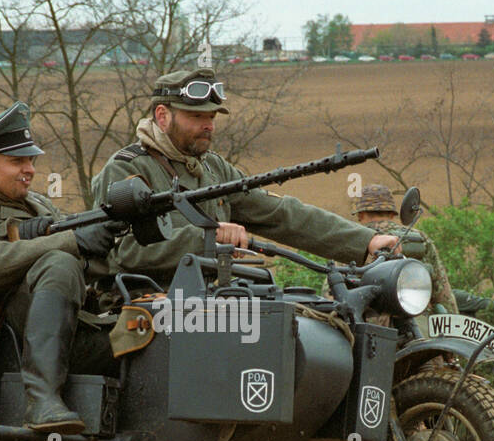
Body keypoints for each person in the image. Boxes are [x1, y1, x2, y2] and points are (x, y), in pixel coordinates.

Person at [90, 67, 399, 283]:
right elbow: (123, 251)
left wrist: (366, 241)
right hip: (141, 307)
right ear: (162, 116)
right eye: (196, 116)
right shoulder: (127, 169)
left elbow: (281, 214)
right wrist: (207, 236)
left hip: (210, 301)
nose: (208, 125)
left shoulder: (213, 167)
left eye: (211, 117)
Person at [0, 101, 116, 434]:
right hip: (12, 339)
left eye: (31, 160)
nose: (29, 169)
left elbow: (85, 260)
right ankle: (41, 401)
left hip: (73, 324)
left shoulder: (37, 204)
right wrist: (72, 242)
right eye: (17, 161)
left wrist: (110, 236)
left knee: (151, 334)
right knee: (58, 261)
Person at [353, 183, 494, 327]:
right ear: (392, 214)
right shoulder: (418, 238)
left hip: (365, 332)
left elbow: (333, 294)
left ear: (361, 215)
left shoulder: (351, 240)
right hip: (416, 329)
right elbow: (442, 293)